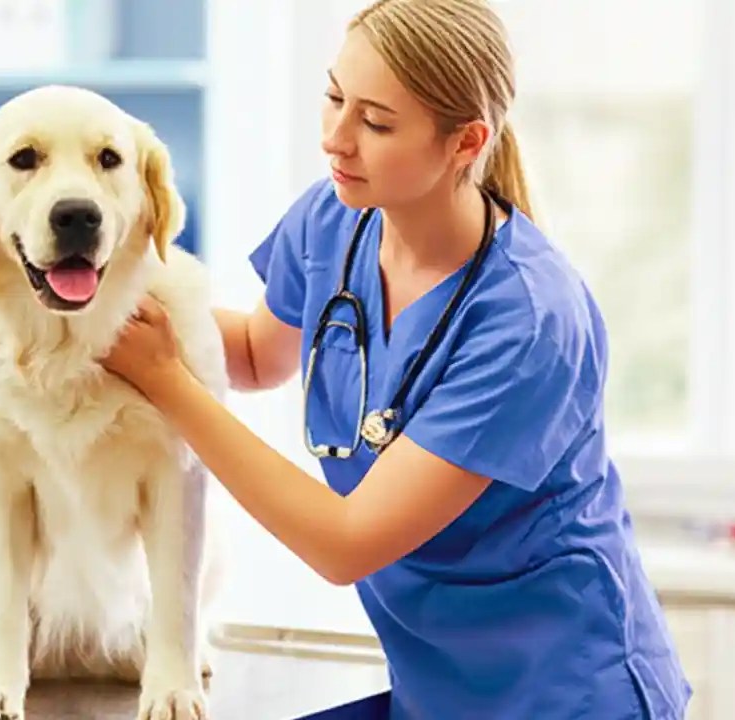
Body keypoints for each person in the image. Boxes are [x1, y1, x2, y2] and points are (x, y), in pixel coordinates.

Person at [98, 1, 692, 717]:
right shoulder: (333, 219)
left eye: (376, 122)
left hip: (562, 689)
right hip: (436, 687)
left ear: (465, 142)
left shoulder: (527, 321)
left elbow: (345, 545)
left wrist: (166, 380)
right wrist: (97, 302)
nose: (336, 140)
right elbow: (257, 353)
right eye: (334, 97)